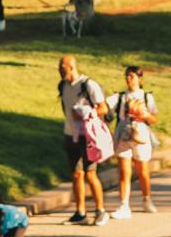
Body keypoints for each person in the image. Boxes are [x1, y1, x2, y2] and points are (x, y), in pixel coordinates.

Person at [58, 54, 110, 226]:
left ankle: (100, 210)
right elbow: (66, 108)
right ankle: (80, 212)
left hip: (88, 136)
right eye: (59, 68)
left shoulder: (88, 85)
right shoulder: (63, 86)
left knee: (90, 173)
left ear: (71, 66)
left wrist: (85, 112)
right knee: (76, 173)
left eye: (62, 68)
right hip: (70, 134)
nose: (60, 71)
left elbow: (103, 107)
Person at [110, 64, 159, 219]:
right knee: (124, 171)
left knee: (142, 171)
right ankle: (124, 205)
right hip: (124, 135)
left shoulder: (146, 97)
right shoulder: (120, 97)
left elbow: (154, 118)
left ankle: (146, 199)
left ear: (140, 78)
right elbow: (104, 105)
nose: (128, 79)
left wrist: (143, 115)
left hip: (141, 136)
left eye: (131, 76)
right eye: (126, 75)